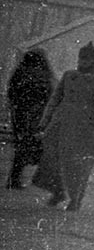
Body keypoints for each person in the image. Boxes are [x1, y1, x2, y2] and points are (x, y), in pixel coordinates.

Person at [36, 42, 94, 211]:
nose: (83, 62)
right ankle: (57, 191)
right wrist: (45, 121)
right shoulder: (69, 75)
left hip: (84, 127)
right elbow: (55, 99)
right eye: (81, 58)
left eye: (87, 59)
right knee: (52, 158)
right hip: (61, 123)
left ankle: (75, 199)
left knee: (77, 164)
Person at [6, 49, 54, 188]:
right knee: (34, 146)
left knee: (21, 147)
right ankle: (38, 179)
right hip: (37, 115)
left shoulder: (21, 72)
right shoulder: (45, 75)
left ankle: (15, 178)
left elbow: (12, 92)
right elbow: (49, 94)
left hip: (21, 115)